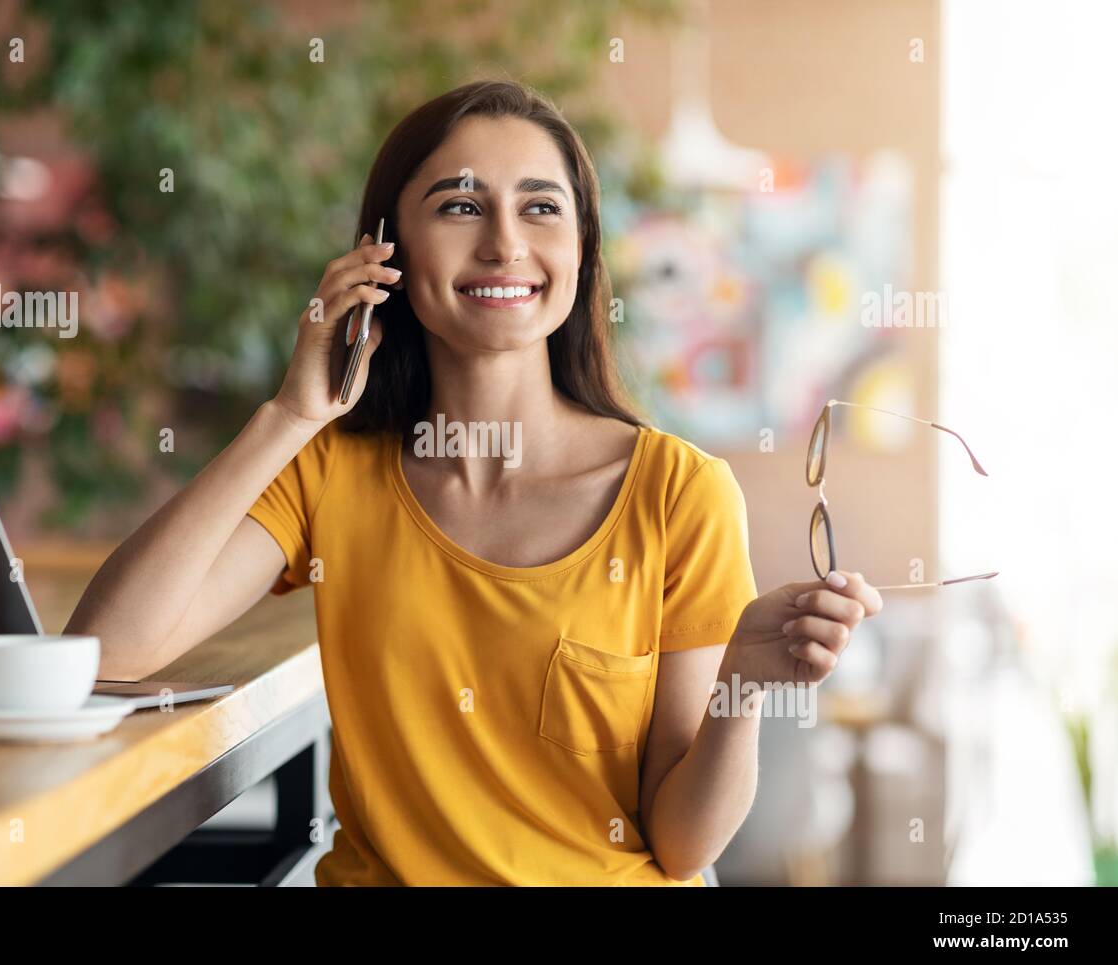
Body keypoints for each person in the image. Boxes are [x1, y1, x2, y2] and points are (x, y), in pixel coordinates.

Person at [66, 79, 882, 886]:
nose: (504, 244)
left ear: (580, 248)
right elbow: (106, 656)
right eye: (460, 206)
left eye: (540, 207)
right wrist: (290, 414)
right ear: (383, 252)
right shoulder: (329, 470)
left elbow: (682, 847)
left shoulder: (679, 491)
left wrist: (739, 684)